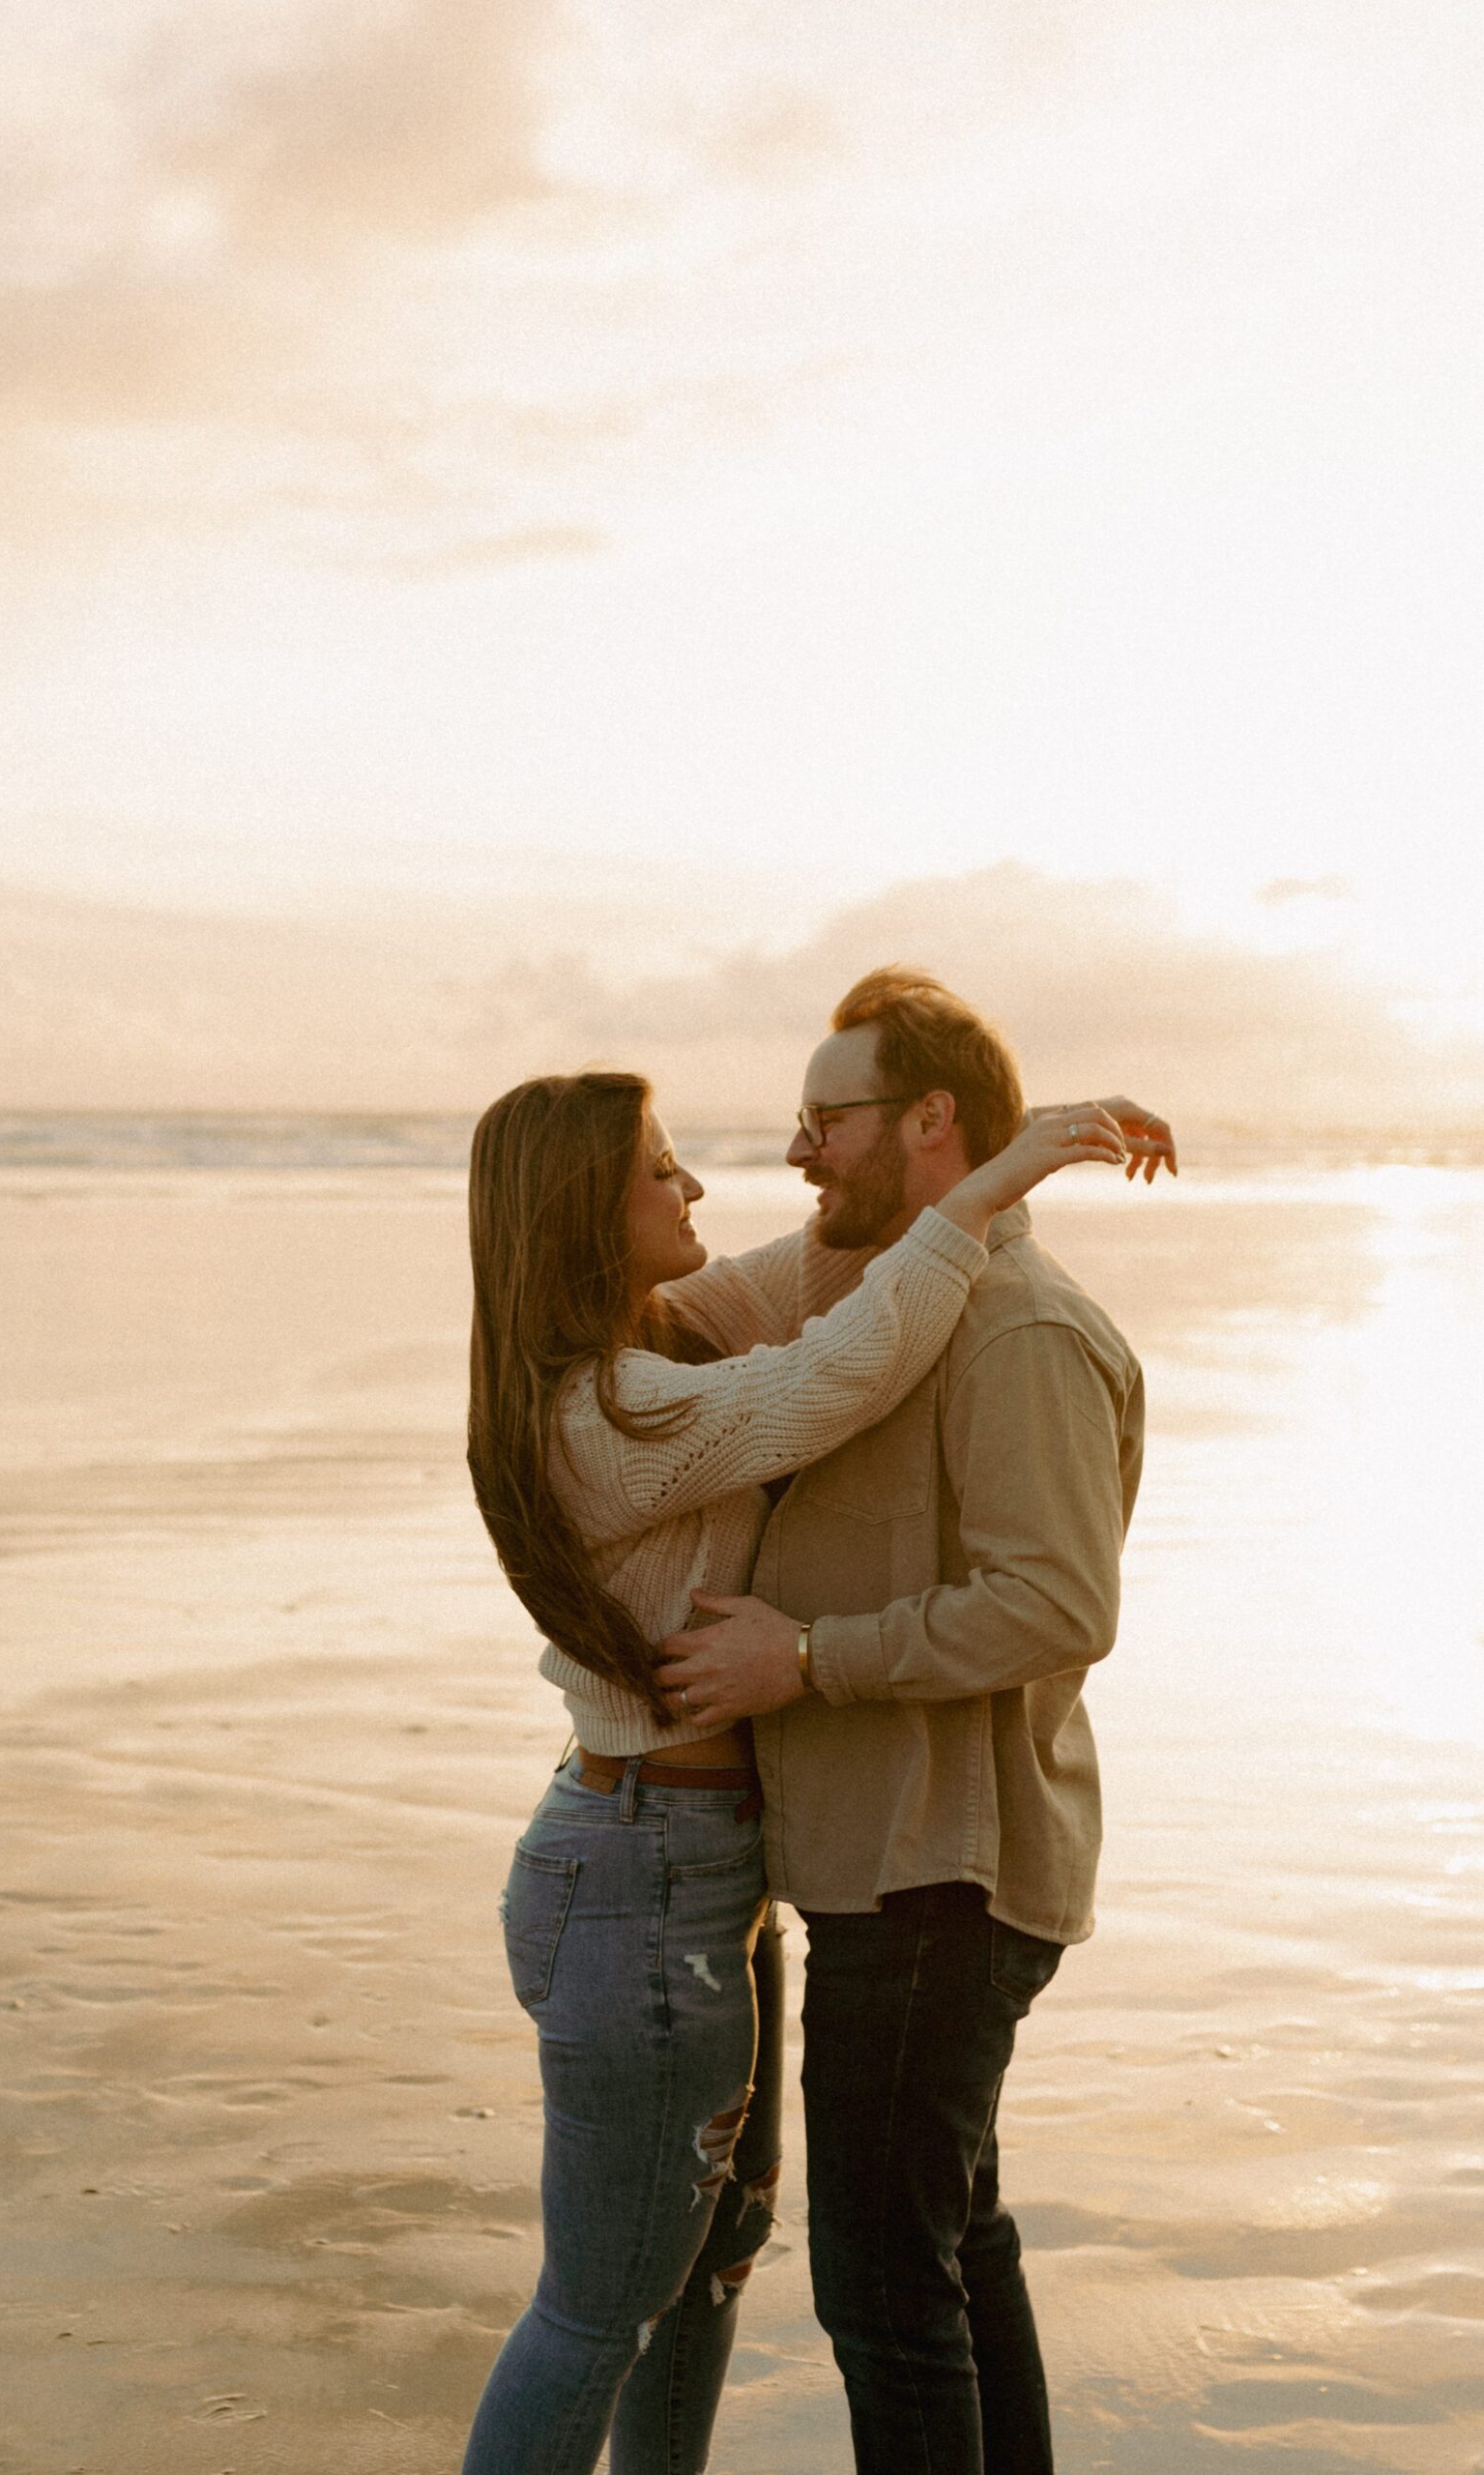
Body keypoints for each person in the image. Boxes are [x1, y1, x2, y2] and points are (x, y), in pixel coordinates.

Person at [460, 1066, 1146, 2475]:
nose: (698, 1186)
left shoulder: (657, 1338)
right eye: (661, 1170)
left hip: (697, 1870)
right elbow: (838, 1370)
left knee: (710, 2264)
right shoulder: (618, 1413)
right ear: (593, 1213)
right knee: (600, 2306)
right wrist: (976, 1182)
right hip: (640, 1874)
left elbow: (840, 1258)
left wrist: (961, 1175)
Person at [655, 966, 1161, 2475]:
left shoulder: (1016, 1328)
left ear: (928, 1121)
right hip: (887, 1855)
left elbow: (1058, 1604)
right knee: (951, 2246)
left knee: (884, 2290)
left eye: (825, 1121)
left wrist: (805, 1659)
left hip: (945, 1862)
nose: (797, 1152)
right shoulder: (871, 1280)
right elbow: (665, 1308)